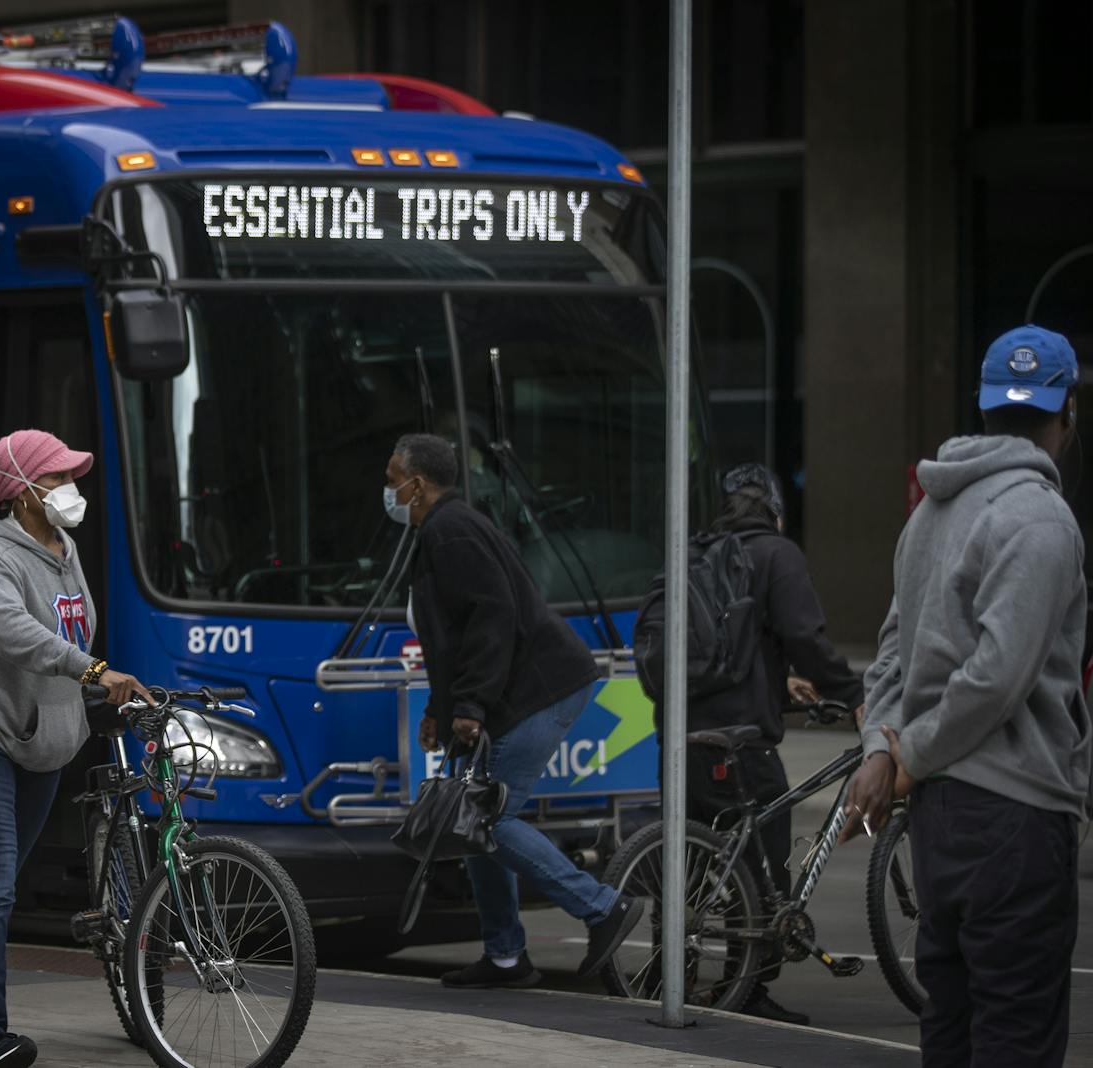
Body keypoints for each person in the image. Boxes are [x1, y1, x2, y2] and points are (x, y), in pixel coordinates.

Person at [843, 325, 1091, 1067]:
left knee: (950, 1034)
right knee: (1017, 1039)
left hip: (941, 830)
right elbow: (998, 675)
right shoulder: (1043, 518)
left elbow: (892, 653)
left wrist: (880, 748)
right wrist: (905, 758)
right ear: (1067, 414)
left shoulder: (928, 514)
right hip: (1014, 815)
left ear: (983, 406)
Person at [0, 429, 151, 1068]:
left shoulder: (64, 548)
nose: (71, 488)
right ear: (22, 494)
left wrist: (95, 697)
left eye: (73, 475)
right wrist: (95, 671)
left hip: (43, 739)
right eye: (58, 478)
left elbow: (68, 635)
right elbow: (16, 634)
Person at [386, 432, 643, 989]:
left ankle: (603, 907)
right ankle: (505, 957)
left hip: (540, 690)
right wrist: (440, 707)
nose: (388, 492)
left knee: (488, 818)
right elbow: (450, 641)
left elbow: (491, 617)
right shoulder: (444, 529)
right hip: (523, 690)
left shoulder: (449, 531)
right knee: (469, 822)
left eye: (392, 482)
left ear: (417, 484)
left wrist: (471, 704)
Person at [671, 462, 865, 1025]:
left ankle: (670, 975)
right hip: (741, 742)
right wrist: (851, 692)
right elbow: (804, 635)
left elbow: (724, 654)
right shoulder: (778, 555)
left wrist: (778, 686)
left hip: (682, 732)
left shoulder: (696, 554)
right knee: (762, 864)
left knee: (687, 859)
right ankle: (750, 988)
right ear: (776, 513)